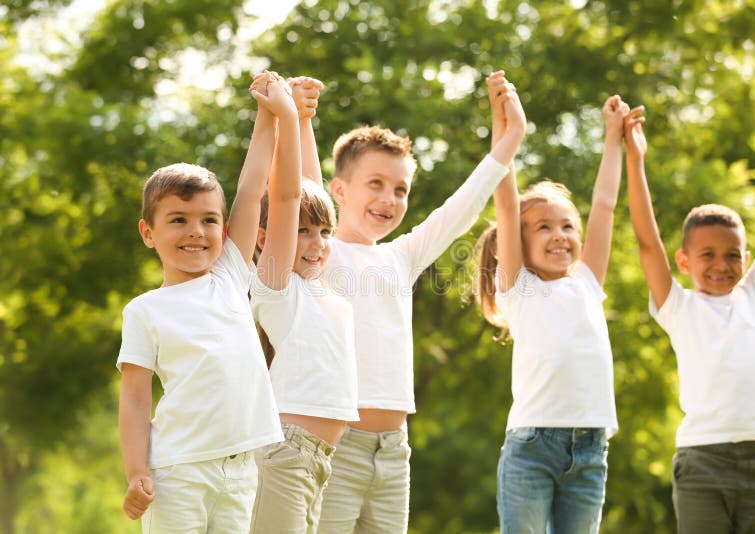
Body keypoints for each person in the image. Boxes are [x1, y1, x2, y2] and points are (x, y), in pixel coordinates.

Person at [297, 71, 526, 533]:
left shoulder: (401, 256)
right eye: (376, 183)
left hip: (394, 450)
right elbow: (306, 190)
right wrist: (301, 118)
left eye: (401, 189)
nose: (390, 198)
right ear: (340, 191)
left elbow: (460, 210)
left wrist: (509, 139)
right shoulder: (322, 253)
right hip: (336, 445)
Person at [117, 72, 285, 532]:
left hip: (240, 469)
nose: (196, 231)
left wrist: (266, 114)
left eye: (209, 219)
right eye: (178, 219)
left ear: (224, 230)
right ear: (148, 233)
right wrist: (137, 473)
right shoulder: (145, 310)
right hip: (177, 473)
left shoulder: (231, 274)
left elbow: (252, 189)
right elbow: (134, 400)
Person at [625, 88, 755, 533]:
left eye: (733, 254)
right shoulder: (678, 306)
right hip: (703, 463)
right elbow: (647, 241)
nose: (722, 265)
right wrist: (635, 161)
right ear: (684, 261)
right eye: (707, 255)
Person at [476, 76, 628, 533]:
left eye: (566, 226)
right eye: (542, 227)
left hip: (591, 447)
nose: (559, 235)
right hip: (532, 446)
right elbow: (506, 202)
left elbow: (603, 204)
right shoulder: (518, 288)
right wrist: (502, 122)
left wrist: (613, 136)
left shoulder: (586, 282)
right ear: (518, 243)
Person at [247, 72, 359, 534]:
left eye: (325, 233)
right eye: (301, 232)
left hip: (320, 459)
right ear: (265, 239)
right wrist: (284, 118)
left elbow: (308, 190)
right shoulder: (276, 288)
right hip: (286, 452)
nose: (317, 243)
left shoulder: (322, 287)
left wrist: (306, 119)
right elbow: (291, 195)